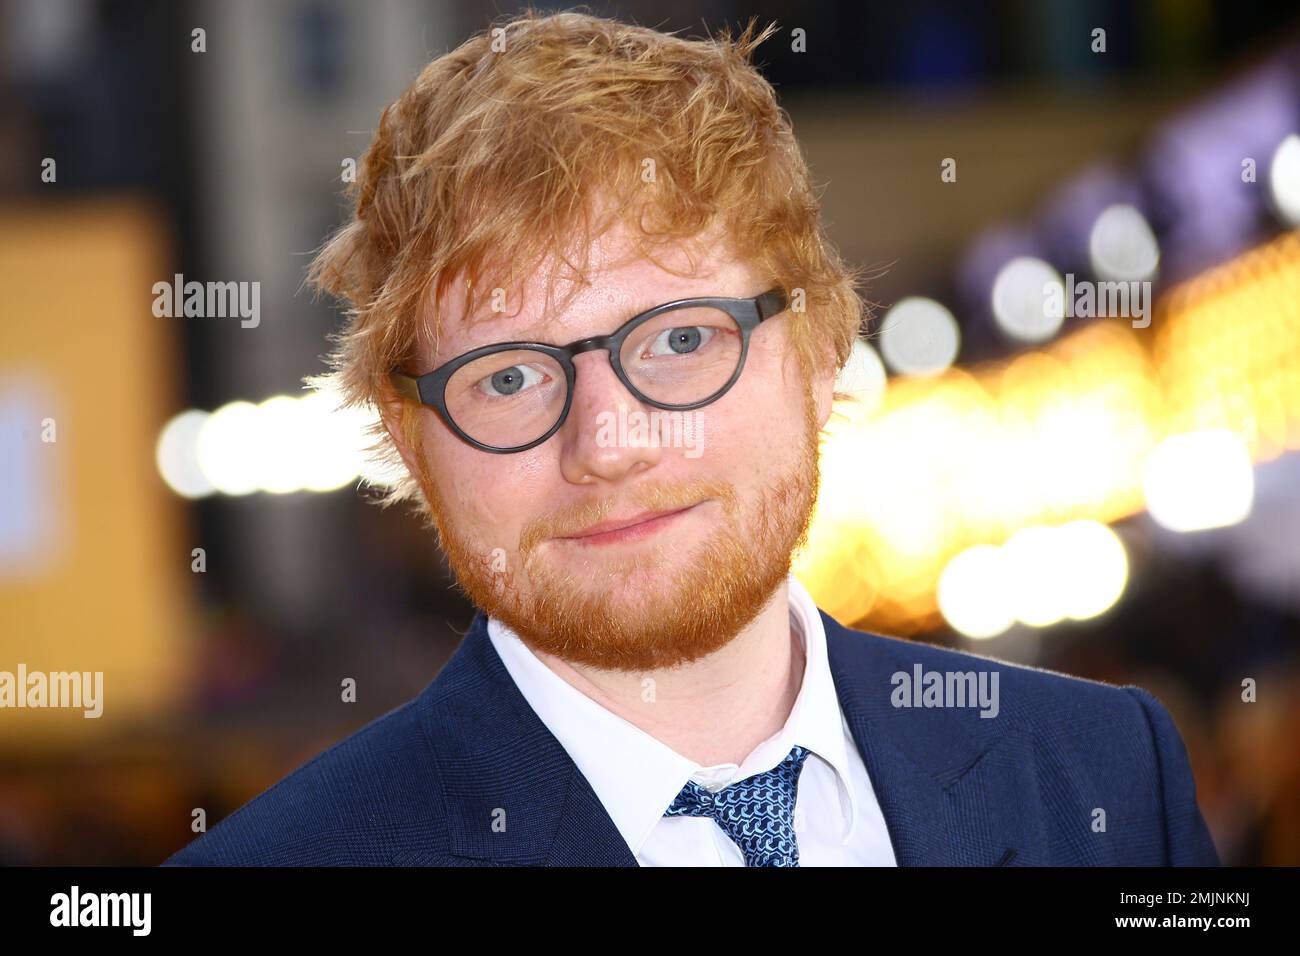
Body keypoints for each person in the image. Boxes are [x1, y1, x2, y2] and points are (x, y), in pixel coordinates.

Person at [165, 10, 1218, 867]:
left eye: (677, 339)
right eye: (512, 375)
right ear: (407, 439)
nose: (607, 441)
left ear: (819, 350)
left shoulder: (1105, 775)